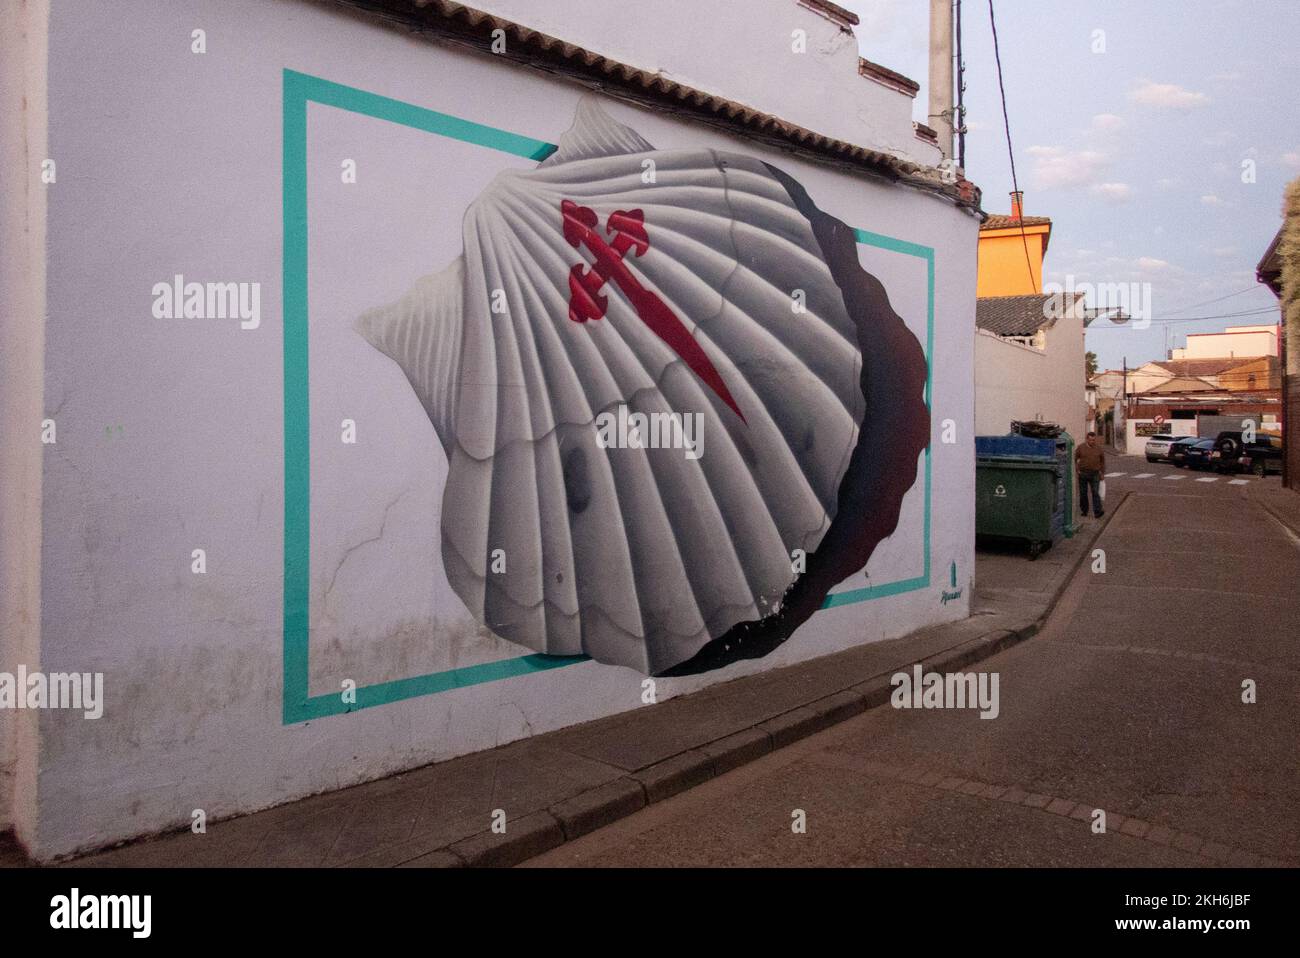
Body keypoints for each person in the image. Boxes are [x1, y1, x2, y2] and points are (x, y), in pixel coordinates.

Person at [1075, 432, 1105, 519]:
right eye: (1091, 440)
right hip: (1083, 474)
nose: (1092, 442)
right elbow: (1075, 458)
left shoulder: (1099, 448)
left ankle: (1097, 511)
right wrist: (1077, 470)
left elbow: (1102, 461)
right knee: (1083, 493)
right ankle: (1084, 510)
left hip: (1095, 473)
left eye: (1094, 440)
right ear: (1087, 439)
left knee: (1095, 492)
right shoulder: (1081, 448)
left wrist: (1102, 473)